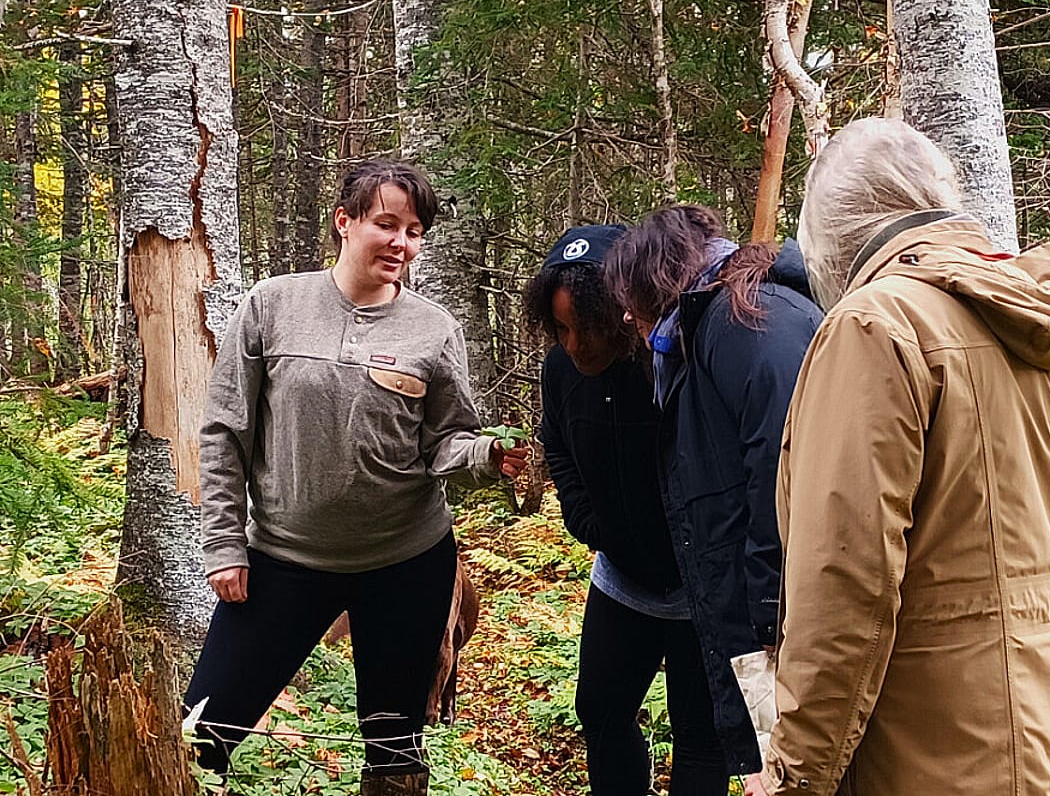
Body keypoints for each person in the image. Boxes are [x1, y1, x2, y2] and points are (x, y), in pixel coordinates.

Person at [765, 118, 1050, 795]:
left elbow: (846, 581)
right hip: (1048, 736)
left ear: (834, 230)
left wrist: (795, 772)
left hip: (929, 750)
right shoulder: (1028, 321)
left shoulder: (874, 324)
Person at [186, 160, 527, 796]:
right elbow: (225, 433)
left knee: (395, 752)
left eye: (415, 231)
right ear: (345, 222)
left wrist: (486, 457)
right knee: (201, 734)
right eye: (387, 224)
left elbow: (445, 440)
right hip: (282, 559)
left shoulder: (434, 328)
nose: (402, 242)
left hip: (405, 563)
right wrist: (224, 545)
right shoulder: (274, 306)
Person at [604, 206, 824, 792]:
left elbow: (781, 480)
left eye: (633, 297)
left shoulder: (749, 323)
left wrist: (771, 618)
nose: (628, 315)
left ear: (661, 277)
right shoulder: (709, 328)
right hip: (756, 617)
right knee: (764, 772)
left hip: (781, 620)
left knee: (787, 776)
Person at [523, 225, 728, 795]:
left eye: (586, 328)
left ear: (622, 311)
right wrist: (582, 515)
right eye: (561, 328)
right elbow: (557, 444)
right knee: (602, 713)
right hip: (621, 585)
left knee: (699, 737)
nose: (575, 345)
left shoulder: (675, 361)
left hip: (698, 593)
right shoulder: (559, 370)